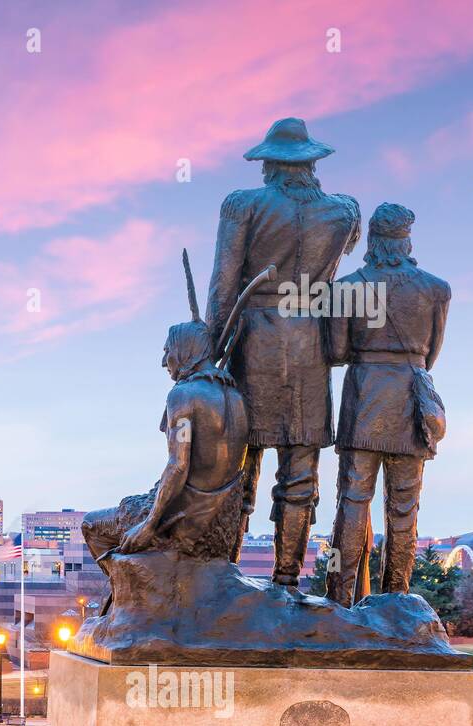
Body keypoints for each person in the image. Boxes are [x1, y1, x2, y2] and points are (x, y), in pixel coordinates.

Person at [206, 118, 361, 586]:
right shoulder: (345, 211)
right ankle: (287, 579)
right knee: (300, 469)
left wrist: (208, 354)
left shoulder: (242, 205)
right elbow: (346, 251)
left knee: (238, 464)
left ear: (269, 164)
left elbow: (224, 283)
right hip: (311, 341)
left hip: (254, 339)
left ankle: (226, 574)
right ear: (312, 163)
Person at [325, 203, 449, 605]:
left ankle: (339, 596)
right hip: (411, 402)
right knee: (404, 508)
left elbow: (336, 352)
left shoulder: (346, 288)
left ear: (373, 241)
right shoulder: (436, 289)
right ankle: (396, 599)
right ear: (407, 241)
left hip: (363, 400)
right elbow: (430, 355)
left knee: (351, 501)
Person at [82, 321, 248, 564]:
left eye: (168, 351)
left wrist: (148, 525)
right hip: (221, 526)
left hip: (184, 520)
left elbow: (178, 465)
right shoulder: (236, 398)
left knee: (91, 525)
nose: (164, 362)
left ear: (185, 350)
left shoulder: (183, 395)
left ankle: (131, 586)